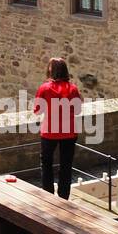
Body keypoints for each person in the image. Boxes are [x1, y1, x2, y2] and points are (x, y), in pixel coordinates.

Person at [34, 57, 82, 199]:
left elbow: (37, 110)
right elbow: (78, 110)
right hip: (69, 132)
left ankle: (48, 196)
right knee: (66, 166)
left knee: (47, 164)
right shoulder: (73, 89)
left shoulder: (45, 88)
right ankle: (63, 197)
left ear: (51, 70)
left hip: (50, 132)